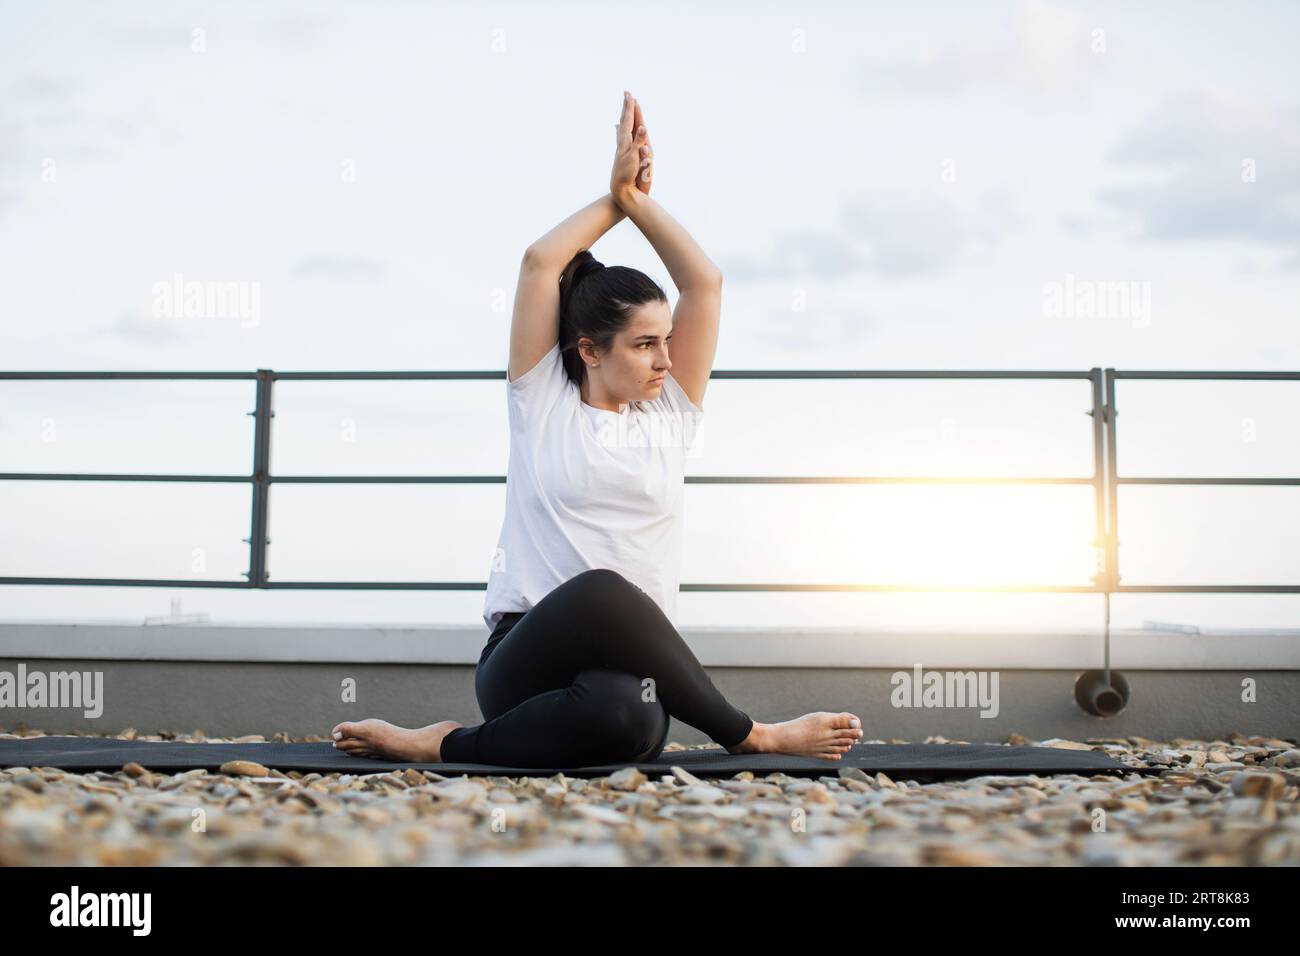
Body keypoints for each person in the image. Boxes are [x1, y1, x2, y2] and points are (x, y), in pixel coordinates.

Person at [332, 91, 863, 767]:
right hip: (524, 657)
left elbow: (704, 284)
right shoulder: (541, 402)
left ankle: (442, 744)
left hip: (629, 668)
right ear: (589, 350)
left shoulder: (667, 415)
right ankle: (753, 733)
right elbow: (539, 263)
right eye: (644, 345)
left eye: (667, 342)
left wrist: (641, 202)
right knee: (607, 591)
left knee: (624, 721)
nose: (666, 360)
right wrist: (611, 199)